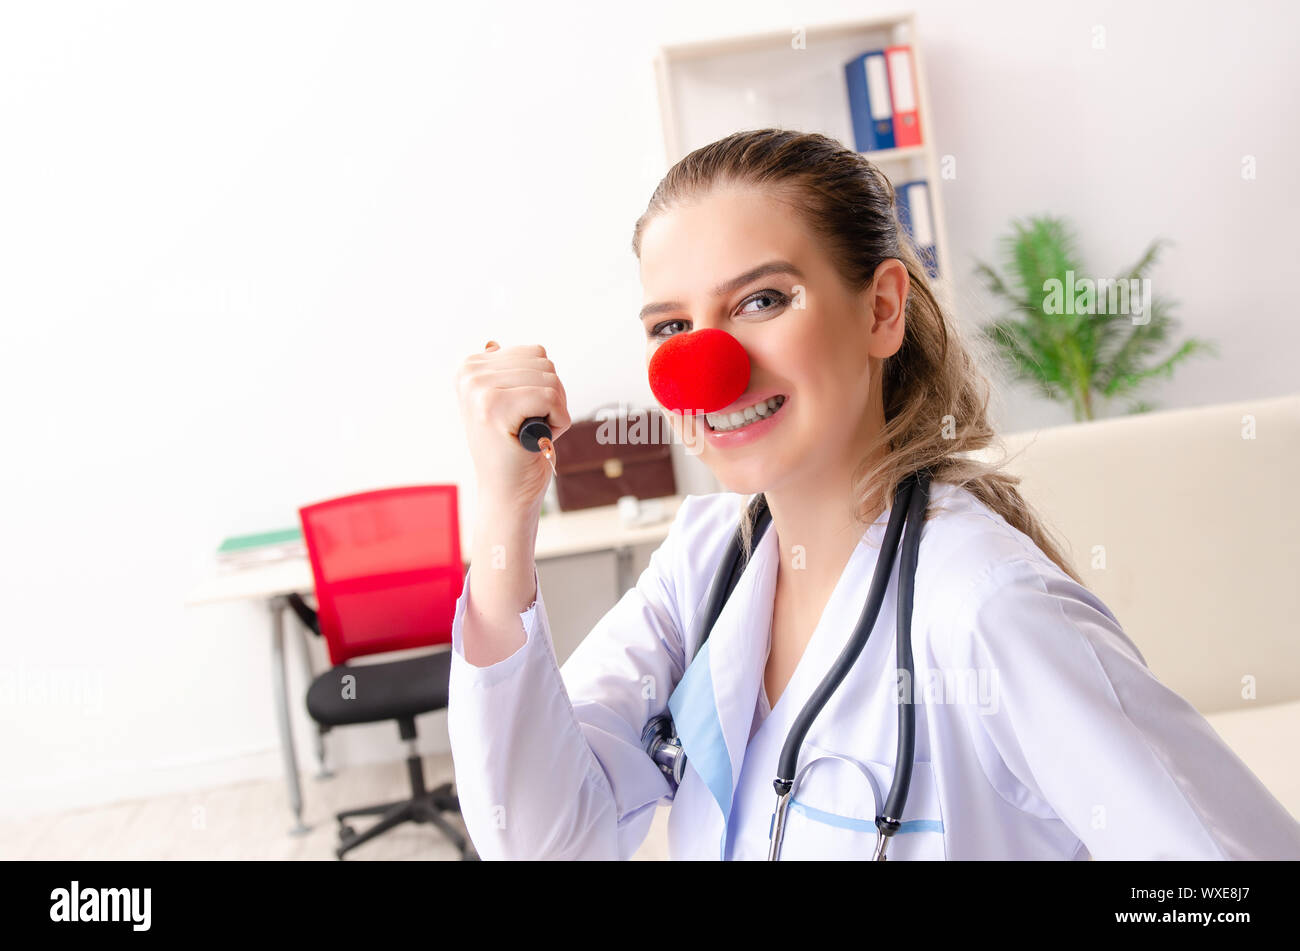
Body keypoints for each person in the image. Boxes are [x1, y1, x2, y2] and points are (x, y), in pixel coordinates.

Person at [448, 128, 1300, 860]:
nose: (707, 364)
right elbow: (542, 838)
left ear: (882, 310)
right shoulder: (701, 564)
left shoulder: (981, 604)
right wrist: (503, 517)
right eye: (672, 327)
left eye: (762, 299)